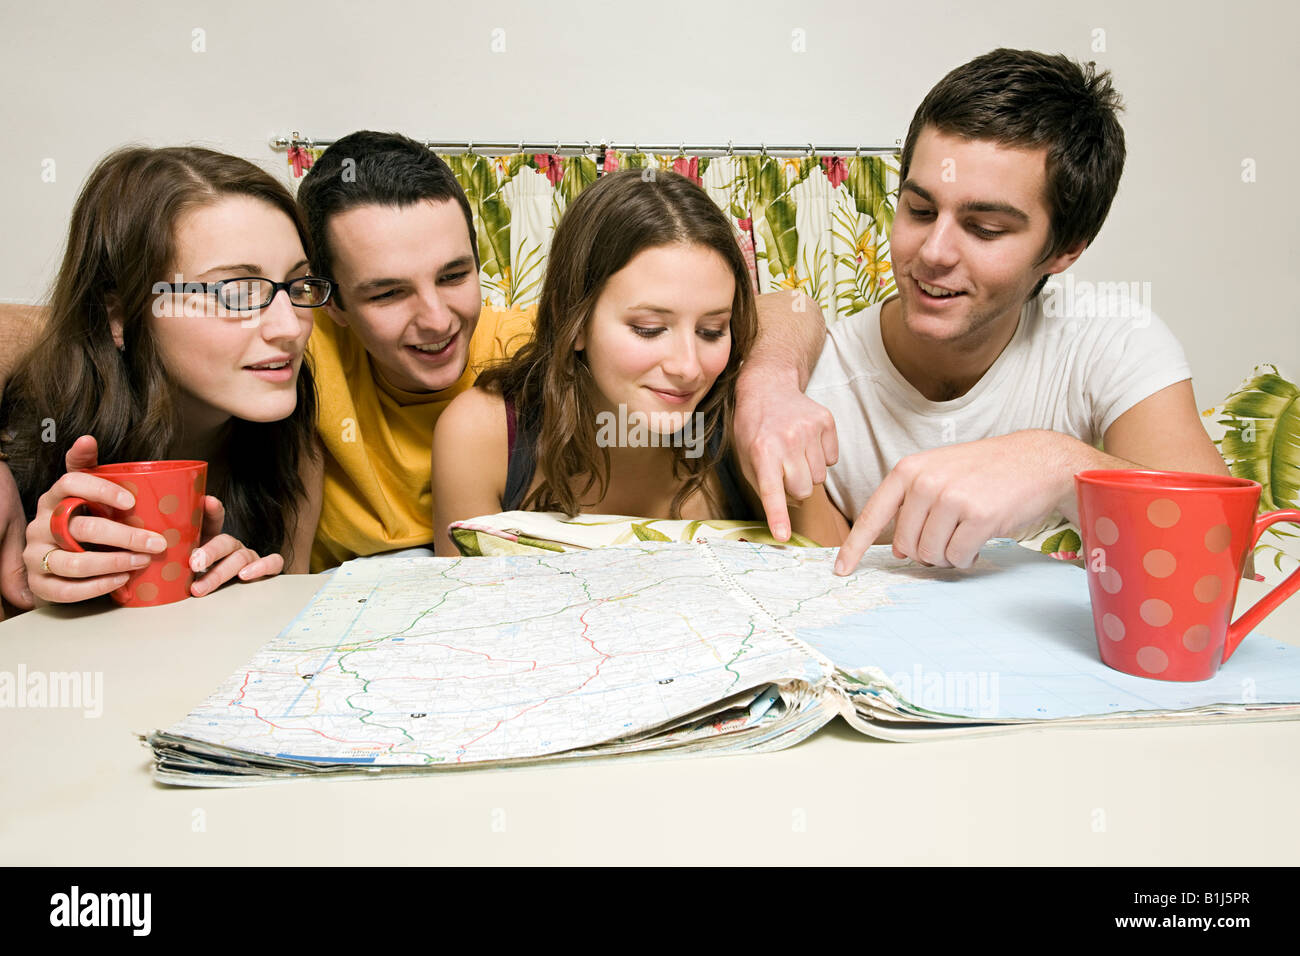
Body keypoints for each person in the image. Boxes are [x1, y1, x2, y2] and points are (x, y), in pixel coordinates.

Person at [0, 131, 832, 612]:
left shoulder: (535, 348)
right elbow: (49, 330)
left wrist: (765, 385)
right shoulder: (295, 367)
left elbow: (778, 304)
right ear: (340, 305)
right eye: (387, 293)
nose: (436, 320)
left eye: (455, 275)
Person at [799, 48, 1230, 575]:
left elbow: (1225, 553)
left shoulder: (1112, 340)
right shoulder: (812, 380)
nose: (934, 252)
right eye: (919, 210)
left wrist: (1059, 466)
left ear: (1065, 248)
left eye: (985, 228)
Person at [432, 169, 825, 553]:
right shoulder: (482, 434)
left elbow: (841, 587)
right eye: (649, 328)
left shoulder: (752, 423)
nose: (688, 367)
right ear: (575, 320)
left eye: (711, 330)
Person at [0, 146, 324, 605]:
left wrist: (252, 606)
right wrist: (51, 597)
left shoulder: (293, 452)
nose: (290, 327)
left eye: (298, 284)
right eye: (237, 291)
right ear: (119, 317)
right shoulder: (30, 441)